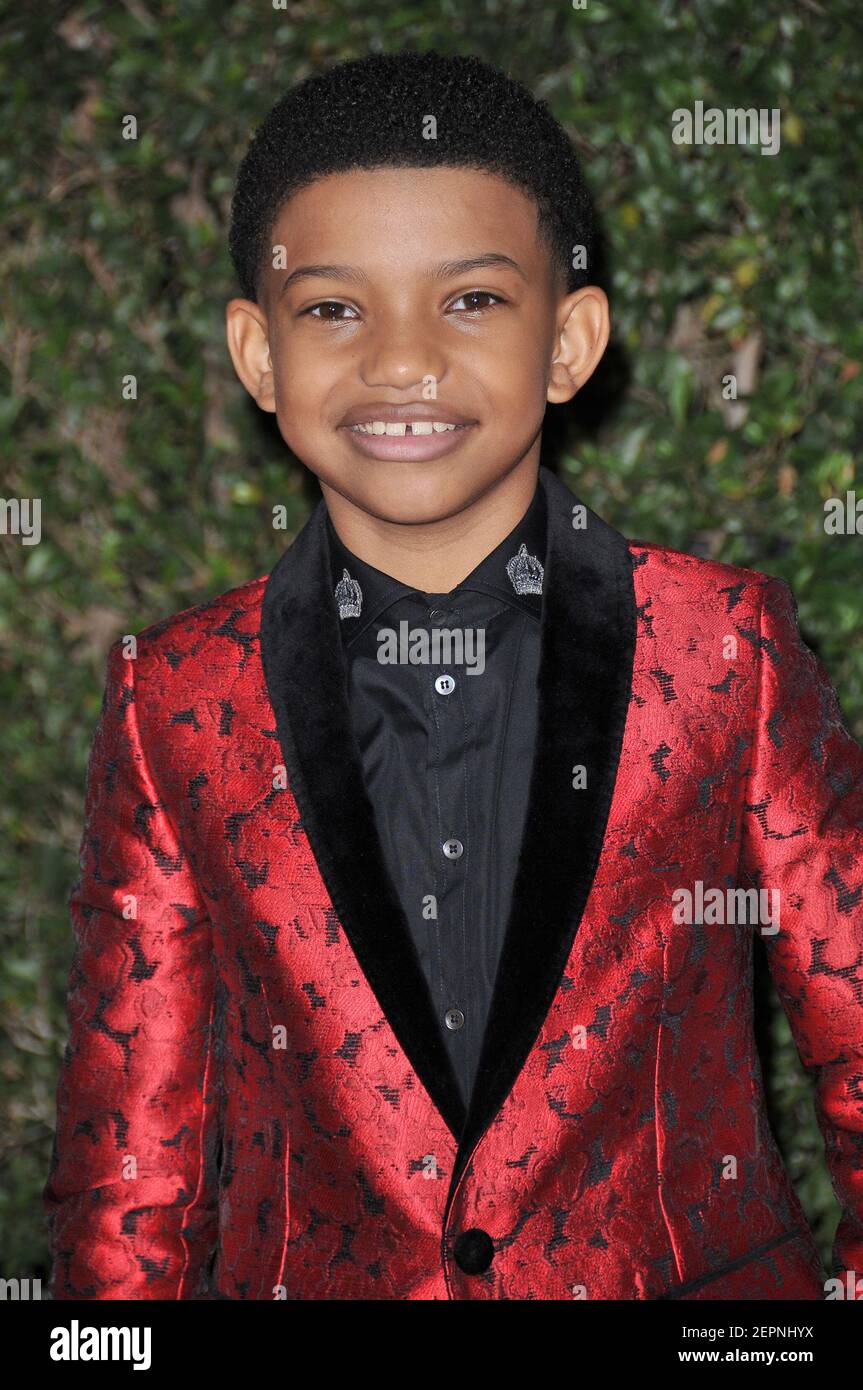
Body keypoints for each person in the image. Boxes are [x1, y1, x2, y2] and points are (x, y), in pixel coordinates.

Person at [44, 50, 863, 1301]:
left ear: (570, 340)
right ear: (258, 357)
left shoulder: (722, 649)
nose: (401, 360)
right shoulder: (175, 697)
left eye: (471, 300)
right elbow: (126, 1170)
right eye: (333, 309)